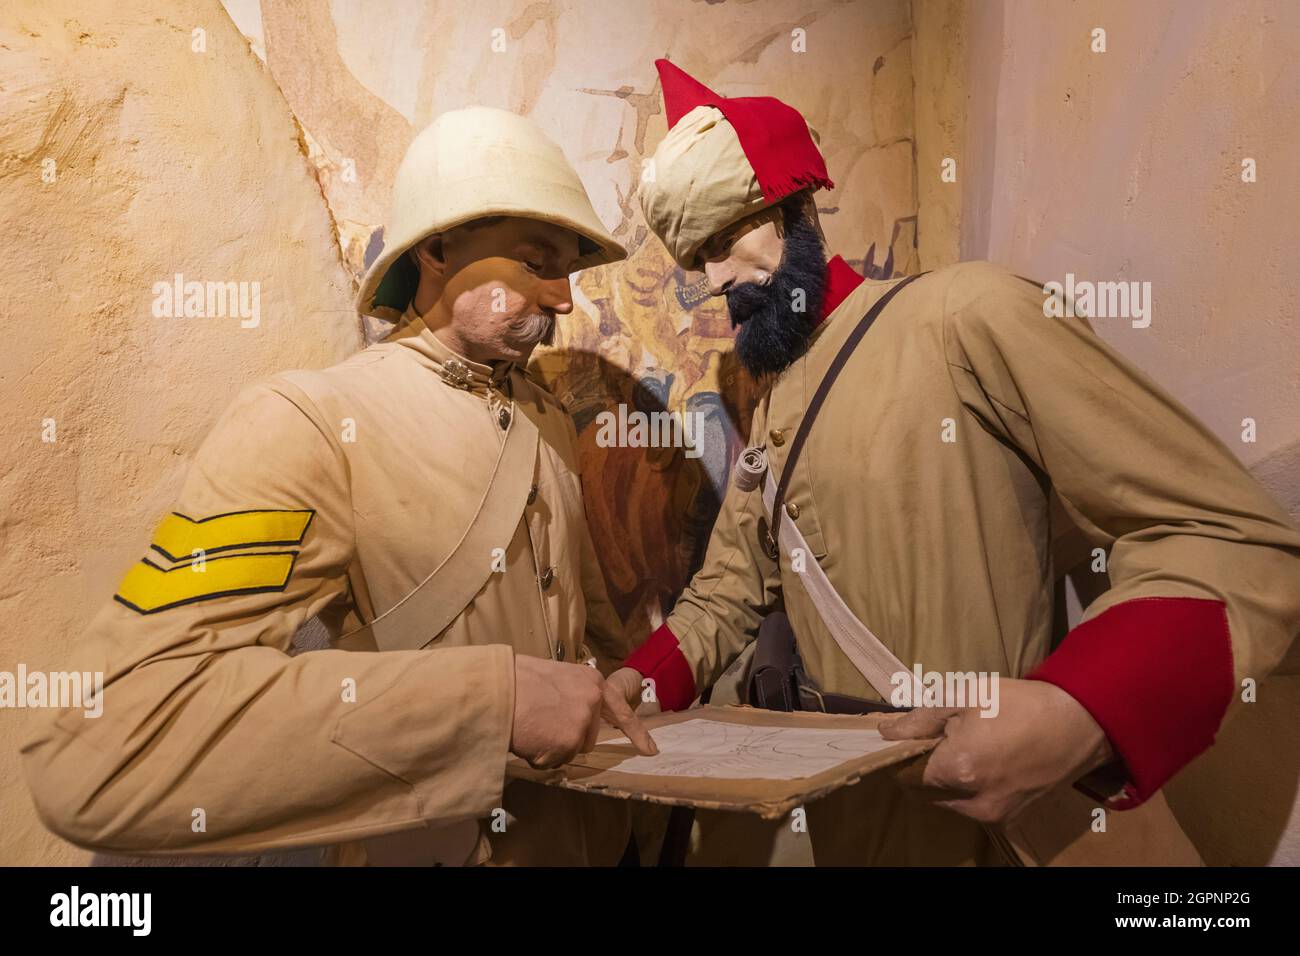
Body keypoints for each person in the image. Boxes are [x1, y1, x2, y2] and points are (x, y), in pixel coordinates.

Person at [608, 60, 1300, 865]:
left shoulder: (966, 314)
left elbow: (1226, 537)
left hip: (1004, 819)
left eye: (728, 238)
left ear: (796, 207)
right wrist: (638, 685)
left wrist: (1081, 711)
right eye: (699, 259)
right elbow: (727, 591)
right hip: (854, 817)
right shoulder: (769, 414)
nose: (719, 279)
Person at [22, 106, 656, 867]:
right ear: (439, 250)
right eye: (535, 262)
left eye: (567, 272)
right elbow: (112, 741)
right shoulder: (309, 422)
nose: (562, 300)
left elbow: (585, 631)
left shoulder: (547, 421)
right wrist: (492, 706)